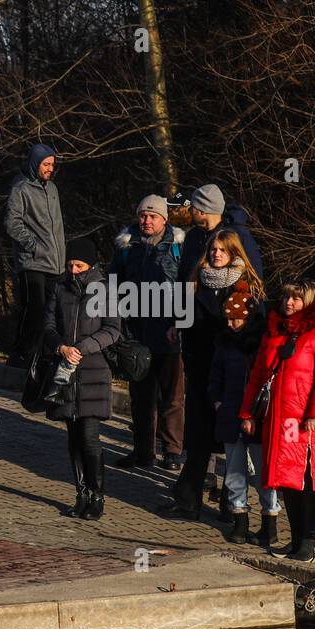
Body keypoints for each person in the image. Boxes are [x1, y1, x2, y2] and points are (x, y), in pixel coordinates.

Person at [161, 228, 264, 520]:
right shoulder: (198, 281)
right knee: (197, 439)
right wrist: (176, 326)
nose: (216, 254)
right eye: (213, 249)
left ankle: (232, 507)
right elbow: (183, 311)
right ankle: (188, 500)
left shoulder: (246, 287)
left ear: (234, 254)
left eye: (222, 250)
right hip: (199, 369)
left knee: (232, 445)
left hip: (232, 376)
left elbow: (256, 331)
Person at [239, 281, 315, 563]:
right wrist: (248, 413)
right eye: (286, 297)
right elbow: (259, 374)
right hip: (279, 419)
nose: (288, 303)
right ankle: (295, 542)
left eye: (296, 298)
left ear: (309, 301)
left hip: (304, 420)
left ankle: (307, 542)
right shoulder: (275, 333)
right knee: (287, 479)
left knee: (307, 479)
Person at [41, 237, 121, 520]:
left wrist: (82, 348)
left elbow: (112, 330)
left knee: (89, 437)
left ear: (91, 265)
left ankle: (98, 496)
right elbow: (48, 325)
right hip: (65, 370)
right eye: (70, 264)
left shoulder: (104, 289)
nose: (73, 270)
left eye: (79, 265)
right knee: (73, 437)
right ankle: (81, 494)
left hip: (92, 370)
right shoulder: (59, 287)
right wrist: (61, 347)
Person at [109, 194, 186, 472]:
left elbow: (188, 288)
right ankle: (143, 452)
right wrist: (118, 327)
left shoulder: (179, 248)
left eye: (153, 216)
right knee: (141, 398)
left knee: (172, 397)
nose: (147, 220)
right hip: (137, 335)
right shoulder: (126, 247)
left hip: (169, 334)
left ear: (164, 219)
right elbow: (113, 286)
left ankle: (173, 451)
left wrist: (180, 324)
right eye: (143, 215)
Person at [209, 285, 275, 545]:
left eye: (235, 319)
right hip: (230, 412)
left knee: (262, 473)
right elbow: (215, 375)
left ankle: (269, 520)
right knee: (234, 472)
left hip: (257, 416)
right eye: (227, 319)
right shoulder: (224, 343)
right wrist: (217, 401)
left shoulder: (261, 344)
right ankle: (240, 519)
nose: (230, 323)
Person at [4, 143, 65, 363]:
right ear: (34, 163)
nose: (50, 168)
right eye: (46, 164)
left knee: (51, 311)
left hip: (55, 263)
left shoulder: (53, 189)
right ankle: (21, 352)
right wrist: (35, 247)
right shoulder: (20, 188)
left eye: (52, 165)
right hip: (32, 262)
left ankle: (43, 354)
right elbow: (12, 224)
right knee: (34, 309)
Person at [178, 184, 263, 282]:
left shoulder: (238, 235)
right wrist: (179, 297)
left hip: (228, 296)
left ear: (202, 211)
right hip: (192, 296)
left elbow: (255, 274)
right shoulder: (192, 236)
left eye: (192, 207)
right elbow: (183, 274)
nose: (190, 211)